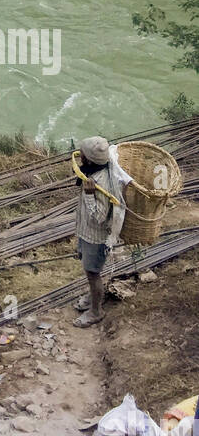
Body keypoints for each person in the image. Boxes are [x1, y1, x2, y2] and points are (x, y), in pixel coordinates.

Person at [73, 135, 131, 327]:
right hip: (85, 231)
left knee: (93, 273)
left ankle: (96, 311)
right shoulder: (93, 171)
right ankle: (92, 297)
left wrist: (90, 195)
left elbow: (99, 217)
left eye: (82, 153)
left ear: (88, 159)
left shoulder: (102, 182)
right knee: (89, 269)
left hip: (95, 237)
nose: (79, 155)